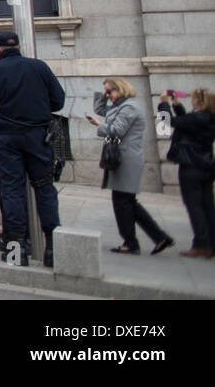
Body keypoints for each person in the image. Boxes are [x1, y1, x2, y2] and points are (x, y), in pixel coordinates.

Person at [0, 31, 64, 266]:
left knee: (11, 190)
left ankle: (17, 249)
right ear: (20, 45)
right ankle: (52, 248)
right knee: (44, 188)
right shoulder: (39, 68)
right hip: (38, 135)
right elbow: (58, 100)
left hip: (7, 138)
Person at [86, 77, 174, 255]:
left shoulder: (129, 107)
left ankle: (131, 242)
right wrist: (103, 95)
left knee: (123, 202)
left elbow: (117, 130)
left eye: (110, 91)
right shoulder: (120, 106)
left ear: (121, 89)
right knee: (127, 201)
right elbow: (101, 109)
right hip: (123, 158)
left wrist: (99, 125)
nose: (108, 95)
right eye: (107, 92)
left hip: (127, 159)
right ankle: (158, 237)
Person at [169, 88, 215, 258]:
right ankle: (211, 242)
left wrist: (162, 105)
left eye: (194, 98)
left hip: (191, 167)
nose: (192, 100)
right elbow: (186, 122)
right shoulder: (209, 118)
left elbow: (166, 125)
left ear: (199, 101)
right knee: (208, 206)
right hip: (207, 166)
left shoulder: (196, 118)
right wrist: (177, 105)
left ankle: (202, 244)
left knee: (194, 206)